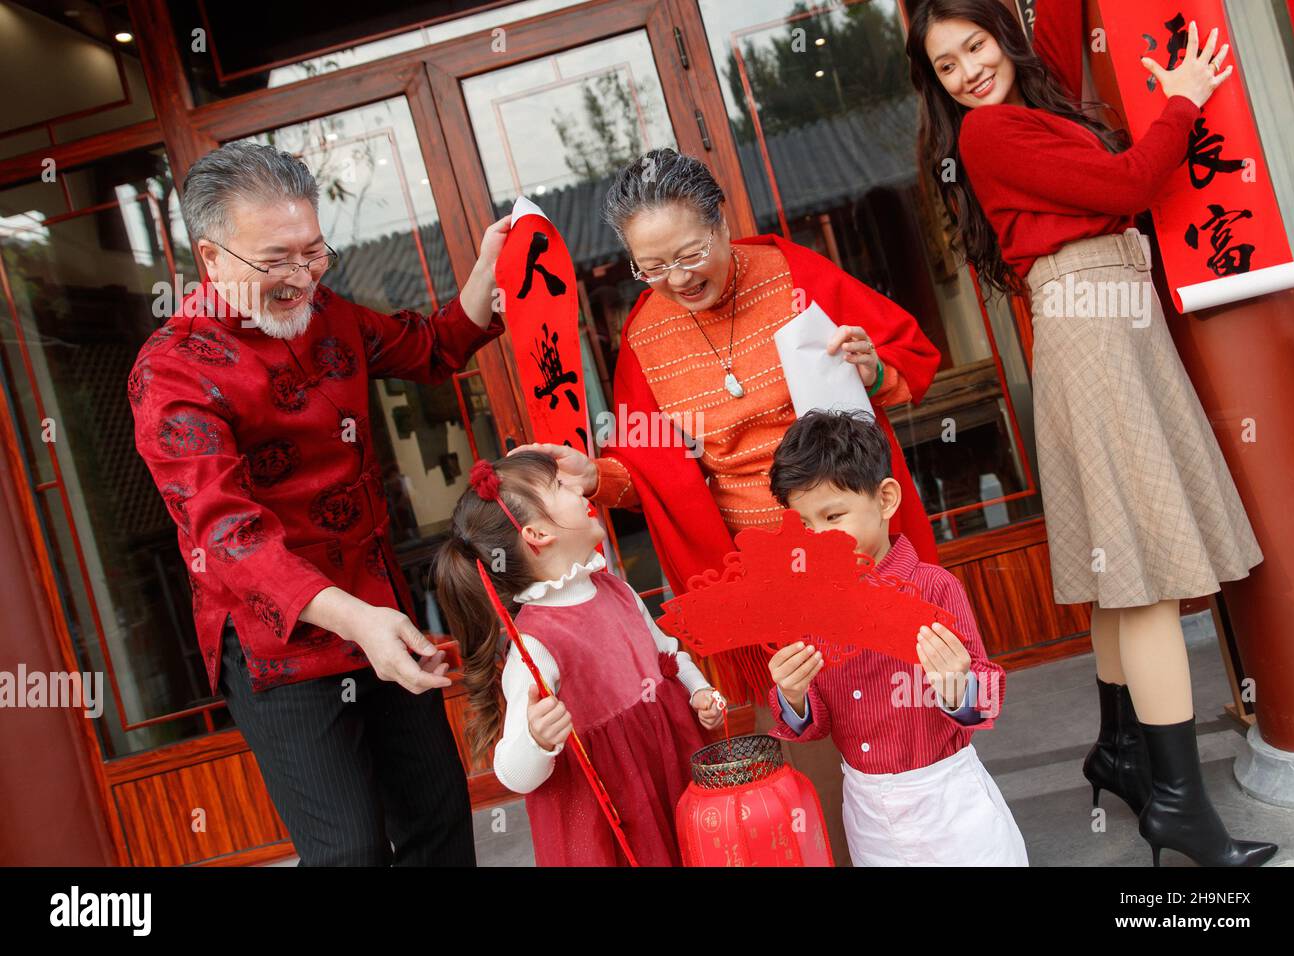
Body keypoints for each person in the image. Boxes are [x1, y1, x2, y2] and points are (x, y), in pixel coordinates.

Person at [906, 0, 1274, 865]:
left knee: (1123, 572)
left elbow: (1064, 27)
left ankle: (1120, 749)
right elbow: (1127, 187)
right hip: (1093, 318)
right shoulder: (990, 136)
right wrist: (1182, 98)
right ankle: (1181, 804)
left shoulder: (1033, 107)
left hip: (1100, 314)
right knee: (1145, 576)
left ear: (1004, 35)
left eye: (975, 46)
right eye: (946, 66)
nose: (967, 72)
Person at [130, 141, 509, 865]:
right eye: (274, 260)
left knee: (439, 821)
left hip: (378, 610)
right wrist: (355, 619)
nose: (301, 278)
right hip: (280, 644)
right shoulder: (171, 372)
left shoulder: (326, 311)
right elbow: (231, 538)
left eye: (314, 253)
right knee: (349, 851)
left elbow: (430, 348)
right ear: (212, 261)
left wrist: (486, 277)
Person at [517, 146, 941, 703]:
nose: (679, 278)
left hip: (853, 537)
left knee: (897, 701)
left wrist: (874, 369)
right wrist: (594, 477)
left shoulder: (789, 272)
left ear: (720, 221)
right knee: (802, 716)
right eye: (653, 267)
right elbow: (646, 469)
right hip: (756, 565)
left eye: (691, 253)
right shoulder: (644, 335)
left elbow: (909, 358)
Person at [433, 453, 723, 866]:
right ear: (537, 535)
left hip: (673, 766)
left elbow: (668, 654)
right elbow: (513, 773)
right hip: (621, 812)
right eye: (560, 487)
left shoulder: (616, 589)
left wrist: (699, 691)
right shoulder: (535, 646)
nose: (578, 487)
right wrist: (538, 739)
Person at [765, 410, 1025, 866]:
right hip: (867, 809)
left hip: (948, 800)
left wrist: (955, 684)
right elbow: (816, 723)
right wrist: (793, 693)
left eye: (833, 516)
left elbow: (986, 699)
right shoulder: (808, 608)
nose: (819, 538)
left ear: (885, 499)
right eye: (805, 526)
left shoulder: (935, 588)